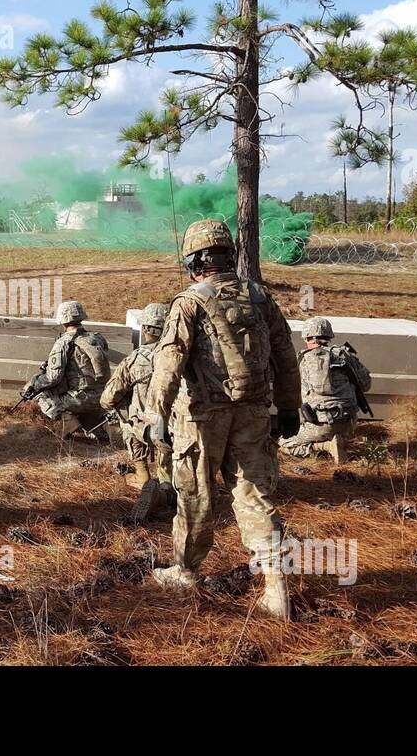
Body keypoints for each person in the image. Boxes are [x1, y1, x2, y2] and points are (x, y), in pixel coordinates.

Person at [145, 219, 301, 619]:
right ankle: (275, 589)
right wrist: (287, 407)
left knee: (196, 494)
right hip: (253, 413)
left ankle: (186, 570)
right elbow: (284, 356)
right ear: (229, 256)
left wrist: (155, 415)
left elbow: (168, 361)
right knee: (255, 496)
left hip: (202, 418)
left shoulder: (189, 303)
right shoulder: (261, 299)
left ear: (195, 262)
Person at [101, 302, 174, 523]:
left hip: (143, 427)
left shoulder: (133, 360)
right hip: (174, 429)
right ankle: (167, 485)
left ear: (145, 329)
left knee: (127, 424)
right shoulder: (181, 357)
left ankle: (144, 477)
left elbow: (108, 398)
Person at [280, 317, 372, 460]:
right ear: (329, 335)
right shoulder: (344, 355)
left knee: (285, 443)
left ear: (307, 337)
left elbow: (289, 392)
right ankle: (340, 441)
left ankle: (324, 447)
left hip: (318, 425)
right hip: (349, 424)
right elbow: (366, 384)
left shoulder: (300, 360)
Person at [22, 300, 110, 439]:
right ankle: (96, 428)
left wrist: (34, 382)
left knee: (40, 393)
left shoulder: (63, 342)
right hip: (101, 397)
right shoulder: (97, 338)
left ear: (63, 320)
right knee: (86, 409)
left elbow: (53, 377)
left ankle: (71, 424)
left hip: (79, 399)